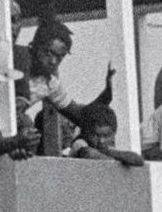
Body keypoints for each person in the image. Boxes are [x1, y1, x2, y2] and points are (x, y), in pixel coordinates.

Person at [14, 16, 117, 153]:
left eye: (59, 57)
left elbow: (81, 115)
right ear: (36, 45)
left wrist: (107, 93)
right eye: (48, 53)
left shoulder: (50, 84)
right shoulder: (15, 58)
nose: (53, 61)